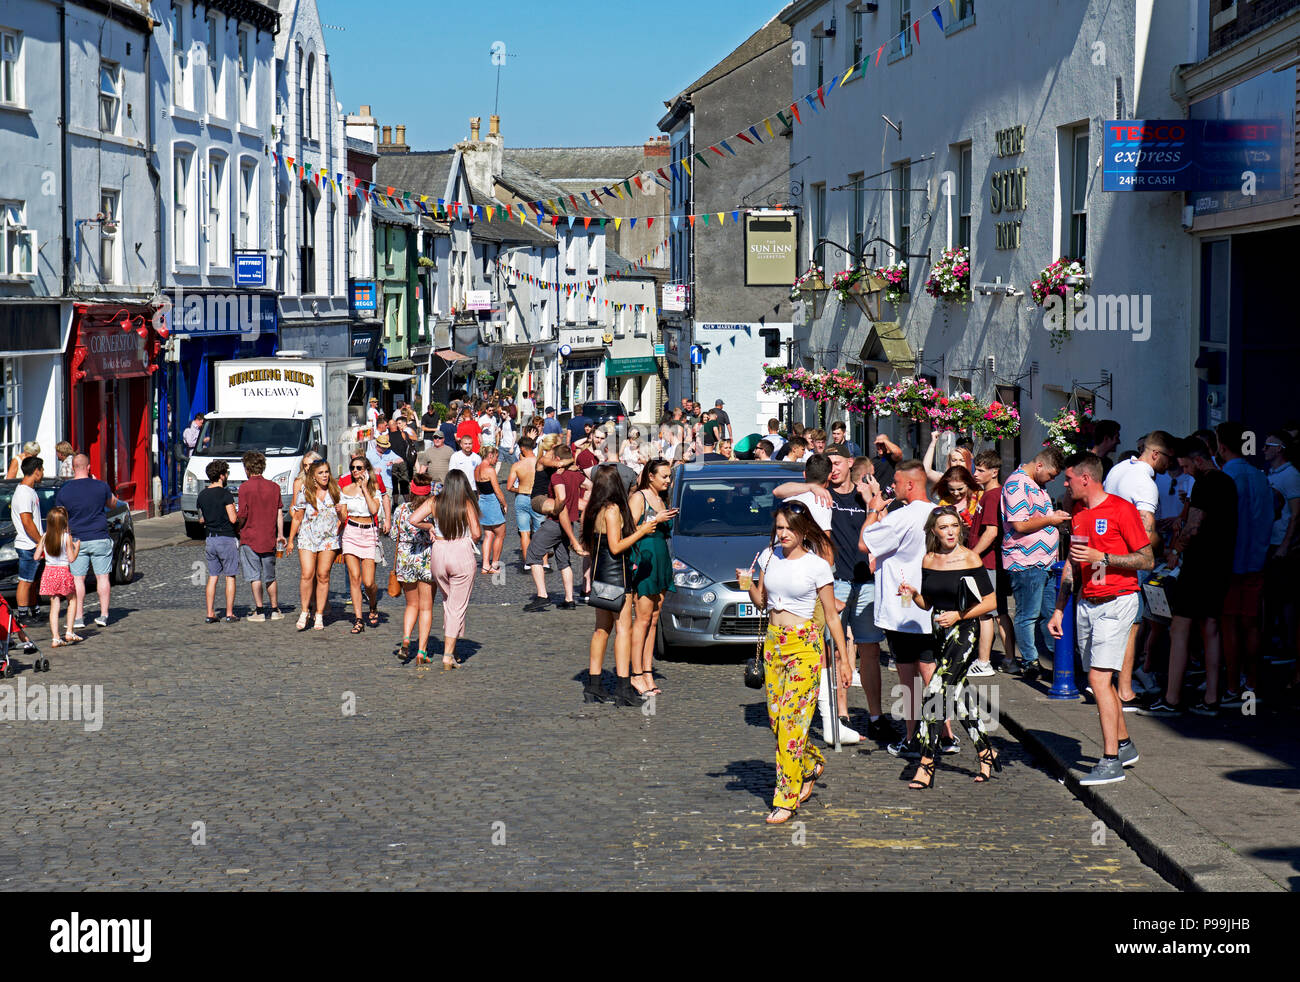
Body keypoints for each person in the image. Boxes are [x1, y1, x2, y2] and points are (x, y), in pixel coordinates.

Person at [1049, 453, 1153, 785]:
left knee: (1097, 679)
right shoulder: (1078, 514)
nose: (1064, 484)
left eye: (1068, 479)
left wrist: (1104, 557)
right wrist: (1059, 607)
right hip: (1086, 602)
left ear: (1086, 478)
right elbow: (1072, 563)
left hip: (1117, 600)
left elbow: (1147, 559)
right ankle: (1123, 745)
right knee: (1099, 681)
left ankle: (1110, 762)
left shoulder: (1121, 509)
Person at [744, 504, 849, 825]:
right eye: (779, 528)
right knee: (777, 721)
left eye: (789, 528)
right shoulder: (768, 557)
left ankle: (785, 800)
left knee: (791, 726)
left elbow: (831, 615)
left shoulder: (817, 566)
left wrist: (845, 660)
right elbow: (762, 602)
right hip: (774, 645)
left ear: (804, 530)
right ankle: (811, 763)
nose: (783, 534)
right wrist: (747, 583)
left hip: (805, 645)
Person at [776, 447, 889, 744]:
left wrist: (871, 501)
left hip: (866, 580)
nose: (835, 469)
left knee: (870, 650)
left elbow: (886, 526)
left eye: (839, 463)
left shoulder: (861, 494)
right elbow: (781, 490)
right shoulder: (821, 495)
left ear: (850, 464)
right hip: (836, 581)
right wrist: (811, 485)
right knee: (835, 649)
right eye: (831, 465)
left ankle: (876, 716)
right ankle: (840, 715)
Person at [897, 506, 1000, 788]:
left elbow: (991, 602)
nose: (950, 532)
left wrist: (959, 615)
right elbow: (927, 604)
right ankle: (985, 751)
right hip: (939, 631)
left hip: (965, 630)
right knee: (961, 698)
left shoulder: (970, 557)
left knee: (934, 690)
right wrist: (913, 594)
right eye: (943, 527)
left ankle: (926, 763)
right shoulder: (928, 560)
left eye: (954, 526)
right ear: (934, 531)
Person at [1139, 436, 1237, 717]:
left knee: (1179, 628)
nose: (1184, 472)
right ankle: (1211, 698)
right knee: (1211, 628)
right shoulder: (1227, 482)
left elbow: (1194, 527)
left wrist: (1174, 551)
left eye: (1185, 466)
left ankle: (1172, 697)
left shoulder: (1206, 483)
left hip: (1198, 567)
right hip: (1220, 566)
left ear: (1197, 460)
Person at [859, 460, 950, 757]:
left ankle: (912, 737)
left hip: (904, 606)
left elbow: (866, 542)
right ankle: (946, 735)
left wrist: (872, 507)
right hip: (934, 602)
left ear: (910, 484)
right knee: (932, 671)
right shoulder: (942, 514)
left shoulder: (903, 516)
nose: (892, 487)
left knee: (908, 676)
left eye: (896, 482)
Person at [581, 465, 676, 707]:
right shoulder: (612, 510)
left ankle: (593, 685)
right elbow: (616, 546)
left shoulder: (593, 508)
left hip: (600, 573)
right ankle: (624, 686)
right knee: (623, 629)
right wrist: (642, 529)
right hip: (616, 574)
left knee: (601, 629)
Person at [1102, 431, 1173, 707]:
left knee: (1111, 622)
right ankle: (1125, 689)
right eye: (1167, 458)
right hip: (1132, 559)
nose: (1169, 464)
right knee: (1132, 626)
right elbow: (1146, 530)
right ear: (1155, 454)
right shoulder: (1145, 483)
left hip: (1109, 553)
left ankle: (1107, 683)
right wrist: (1164, 549)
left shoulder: (1120, 469)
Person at [1000, 446, 1071, 681]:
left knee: (1050, 612)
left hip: (1046, 561)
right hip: (1026, 560)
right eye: (1051, 475)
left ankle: (1059, 659)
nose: (1052, 479)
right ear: (1039, 465)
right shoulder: (1017, 484)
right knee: (1028, 614)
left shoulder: (1037, 484)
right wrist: (1051, 519)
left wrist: (1054, 523)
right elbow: (1019, 525)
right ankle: (1030, 661)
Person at [1215, 421, 1272, 706]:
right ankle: (1251, 683)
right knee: (1251, 624)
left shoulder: (1225, 476)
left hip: (1231, 562)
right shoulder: (1261, 477)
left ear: (1221, 446)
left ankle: (1232, 686)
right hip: (1257, 559)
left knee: (1229, 626)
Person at [410, 470, 481, 669]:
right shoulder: (466, 503)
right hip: (460, 550)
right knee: (456, 606)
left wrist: (429, 526)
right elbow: (476, 533)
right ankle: (448, 655)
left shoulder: (435, 501)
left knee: (449, 602)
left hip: (439, 553)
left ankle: (454, 646)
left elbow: (413, 519)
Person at [628, 459, 679, 696]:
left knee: (654, 618)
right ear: (651, 476)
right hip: (645, 562)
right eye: (665, 477)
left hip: (661, 560)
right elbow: (627, 531)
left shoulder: (661, 499)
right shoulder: (639, 497)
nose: (668, 481)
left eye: (669, 477)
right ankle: (636, 672)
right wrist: (655, 520)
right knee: (642, 618)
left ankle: (647, 670)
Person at [54, 453, 120, 631]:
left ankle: (78, 617)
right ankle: (104, 614)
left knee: (78, 579)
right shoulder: (101, 486)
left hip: (76, 539)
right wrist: (100, 486)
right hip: (99, 536)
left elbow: (60, 516)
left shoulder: (65, 490)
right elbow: (113, 504)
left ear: (73, 467)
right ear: (89, 467)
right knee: (102, 577)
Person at [523, 443, 587, 611]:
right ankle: (569, 599)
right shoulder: (544, 460)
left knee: (533, 553)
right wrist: (571, 464)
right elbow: (559, 464)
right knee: (563, 560)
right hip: (565, 523)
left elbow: (563, 499)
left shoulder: (559, 474)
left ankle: (542, 596)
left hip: (553, 519)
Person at [968, 450, 1015, 677]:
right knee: (1000, 612)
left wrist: (972, 556)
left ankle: (984, 661)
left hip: (988, 563)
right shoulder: (988, 494)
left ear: (994, 472)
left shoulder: (993, 496)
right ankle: (1009, 659)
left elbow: (991, 532)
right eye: (976, 469)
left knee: (986, 613)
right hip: (989, 562)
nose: (976, 474)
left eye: (981, 470)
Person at [287, 459, 346, 631]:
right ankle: (305, 611)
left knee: (323, 575)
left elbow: (343, 519)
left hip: (328, 538)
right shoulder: (305, 492)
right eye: (320, 472)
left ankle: (319, 613)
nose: (325, 475)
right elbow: (297, 517)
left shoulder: (335, 491)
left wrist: (341, 512)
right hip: (307, 536)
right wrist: (290, 540)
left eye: (326, 471)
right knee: (307, 574)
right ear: (313, 475)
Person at [1263, 432, 1300, 680]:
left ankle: (1288, 647)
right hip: (1269, 542)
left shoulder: (1292, 475)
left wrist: (1286, 544)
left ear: (1281, 448)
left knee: (1286, 598)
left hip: (1283, 546)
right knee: (1270, 596)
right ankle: (1272, 645)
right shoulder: (1270, 474)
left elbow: (1297, 513)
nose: (1263, 449)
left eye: (1268, 445)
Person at [237, 451, 287, 622]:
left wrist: (237, 526)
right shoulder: (274, 487)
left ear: (247, 468)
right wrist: (280, 534)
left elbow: (242, 514)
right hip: (269, 537)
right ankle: (275, 609)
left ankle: (259, 610)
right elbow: (280, 513)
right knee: (270, 576)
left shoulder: (244, 488)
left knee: (254, 576)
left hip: (250, 537)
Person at [390, 478, 435, 665]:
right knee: (426, 607)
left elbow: (394, 535)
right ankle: (421, 652)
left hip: (406, 559)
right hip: (426, 559)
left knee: (411, 605)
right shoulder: (432, 509)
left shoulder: (400, 510)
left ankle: (407, 639)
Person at [340, 456, 383, 633]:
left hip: (368, 532)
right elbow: (343, 517)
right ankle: (358, 619)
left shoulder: (374, 489)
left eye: (359, 468)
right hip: (351, 532)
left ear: (366, 469)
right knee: (354, 577)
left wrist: (365, 488)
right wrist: (339, 512)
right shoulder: (345, 489)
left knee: (369, 581)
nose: (355, 471)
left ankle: (372, 605)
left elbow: (374, 510)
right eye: (353, 468)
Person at [197, 459, 240, 624]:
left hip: (210, 539)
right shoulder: (225, 494)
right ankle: (229, 613)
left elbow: (202, 519)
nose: (227, 476)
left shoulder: (202, 495)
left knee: (213, 576)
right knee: (230, 576)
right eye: (226, 473)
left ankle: (210, 613)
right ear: (222, 475)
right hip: (226, 538)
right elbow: (233, 518)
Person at [36, 506, 80, 648]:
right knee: (72, 600)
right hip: (63, 571)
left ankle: (55, 638)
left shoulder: (44, 536)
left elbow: (36, 556)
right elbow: (72, 559)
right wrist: (77, 547)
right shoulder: (66, 537)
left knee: (54, 605)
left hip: (49, 572)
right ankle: (69, 632)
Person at [11, 456, 44, 620]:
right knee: (25, 581)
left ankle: (34, 610)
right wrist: (40, 541)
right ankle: (22, 614)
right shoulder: (24, 493)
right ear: (36, 471)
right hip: (28, 544)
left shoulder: (29, 491)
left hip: (31, 544)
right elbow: (26, 521)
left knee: (32, 581)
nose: (43, 473)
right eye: (42, 470)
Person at [507, 436, 543, 569]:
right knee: (539, 531)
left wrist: (520, 488)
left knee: (524, 532)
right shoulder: (540, 462)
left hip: (522, 496)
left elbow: (509, 487)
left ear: (522, 448)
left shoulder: (517, 465)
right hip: (537, 497)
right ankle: (542, 562)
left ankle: (528, 563)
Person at [475, 445, 508, 574]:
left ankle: (485, 565)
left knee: (488, 535)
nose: (496, 460)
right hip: (492, 502)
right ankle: (494, 565)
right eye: (496, 457)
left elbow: (478, 489)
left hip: (482, 501)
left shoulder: (476, 469)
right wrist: (504, 503)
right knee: (500, 534)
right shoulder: (489, 470)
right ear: (490, 455)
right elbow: (497, 490)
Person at [935, 465, 979, 529]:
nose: (956, 493)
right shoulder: (944, 502)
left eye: (960, 489)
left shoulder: (979, 497)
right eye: (951, 489)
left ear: (968, 484)